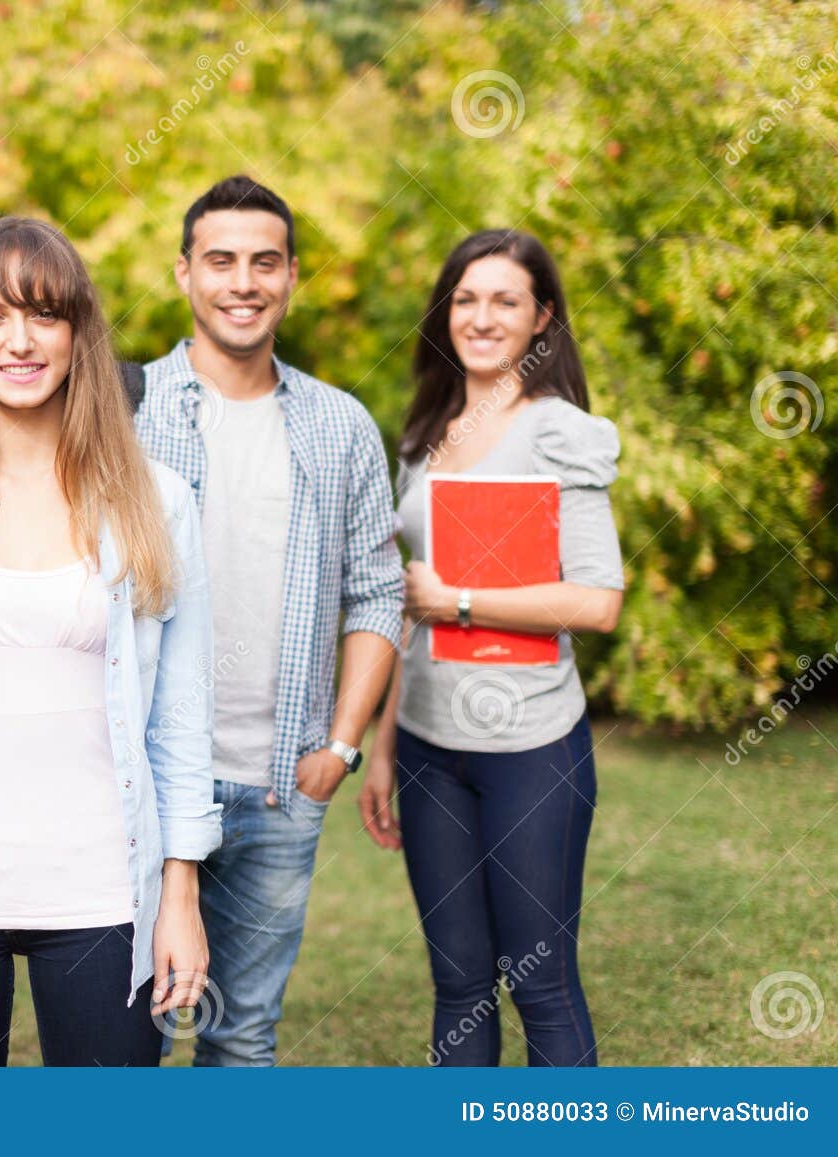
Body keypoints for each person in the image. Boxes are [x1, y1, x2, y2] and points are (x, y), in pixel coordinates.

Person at [0, 216, 221, 1067]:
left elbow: (181, 717)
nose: (18, 341)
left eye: (43, 315)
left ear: (78, 335)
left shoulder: (155, 502)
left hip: (104, 895)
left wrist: (181, 892)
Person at [134, 175, 405, 1066]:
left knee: (240, 1035)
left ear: (291, 277)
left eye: (264, 261)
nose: (242, 281)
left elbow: (378, 591)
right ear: (184, 273)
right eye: (220, 260)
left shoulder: (341, 426)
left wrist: (341, 747)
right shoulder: (122, 414)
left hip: (282, 787)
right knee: (119, 1040)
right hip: (137, 785)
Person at [359, 229, 624, 1067]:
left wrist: (462, 600)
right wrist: (383, 746)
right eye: (465, 299)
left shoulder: (558, 432)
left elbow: (598, 600)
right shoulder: (425, 434)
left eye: (505, 300)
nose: (481, 317)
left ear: (542, 317)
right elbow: (410, 608)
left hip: (530, 750)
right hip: (431, 752)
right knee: (460, 986)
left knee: (540, 984)